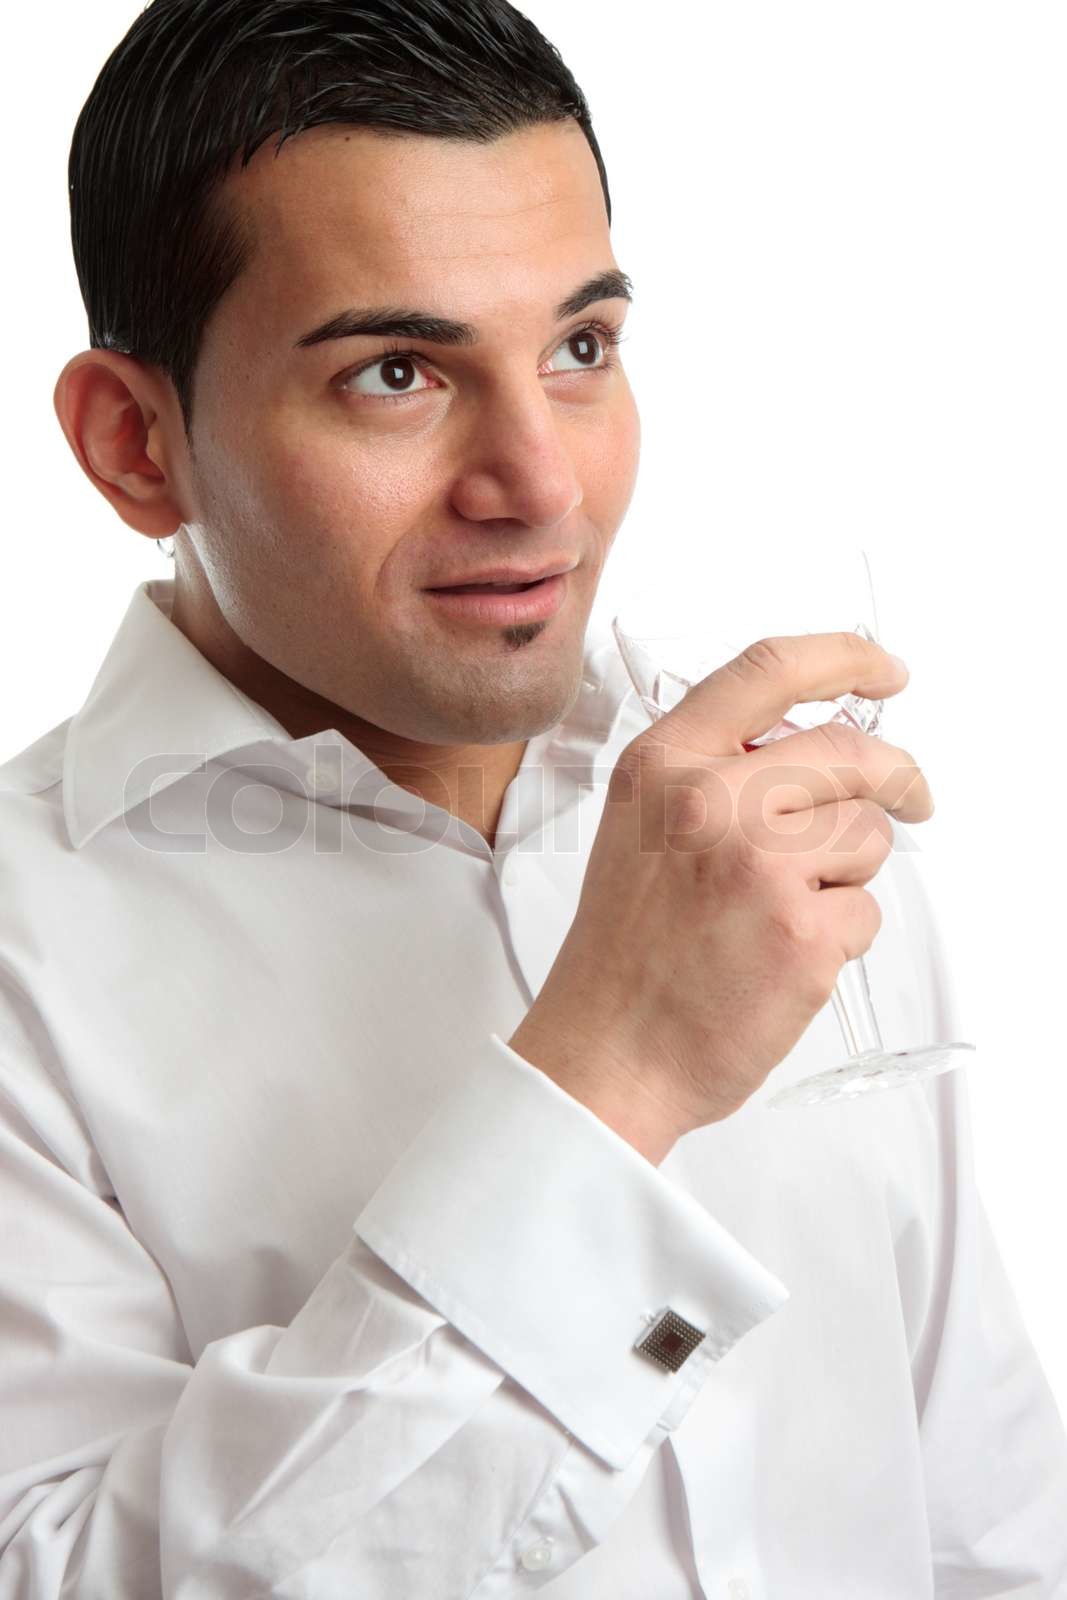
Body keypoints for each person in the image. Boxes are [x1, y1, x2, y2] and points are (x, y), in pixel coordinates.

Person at [1, 0, 1064, 1593]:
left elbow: (981, 1512)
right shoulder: (23, 965)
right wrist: (611, 1080)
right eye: (397, 372)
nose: (544, 483)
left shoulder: (769, 827)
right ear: (136, 444)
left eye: (580, 350)